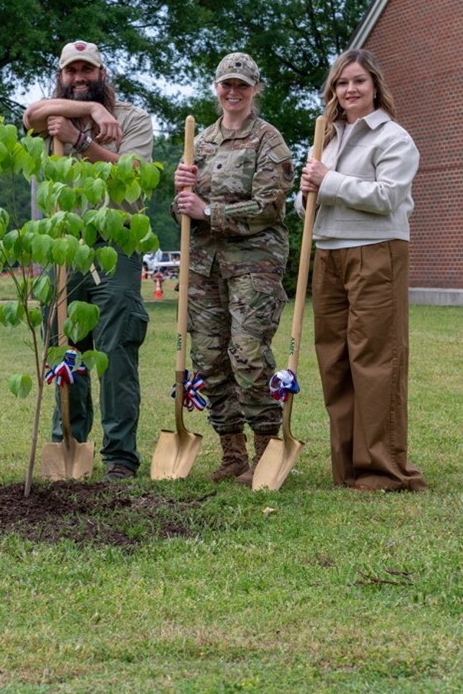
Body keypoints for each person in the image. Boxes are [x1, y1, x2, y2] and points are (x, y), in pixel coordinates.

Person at [23, 40, 154, 479]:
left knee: (116, 349)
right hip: (64, 245)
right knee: (66, 346)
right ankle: (69, 442)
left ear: (103, 75)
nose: (80, 78)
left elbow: (133, 176)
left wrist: (81, 140)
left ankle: (120, 456)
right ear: (62, 76)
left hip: (115, 243)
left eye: (88, 72)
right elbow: (31, 115)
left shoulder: (134, 118)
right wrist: (88, 115)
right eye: (72, 72)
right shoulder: (51, 117)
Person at [298, 48, 427, 492]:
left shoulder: (393, 138)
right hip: (329, 253)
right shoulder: (328, 138)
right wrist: (306, 191)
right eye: (341, 82)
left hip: (376, 252)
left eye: (358, 81)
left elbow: (387, 196)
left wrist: (327, 182)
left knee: (375, 360)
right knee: (335, 360)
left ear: (375, 86)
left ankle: (383, 470)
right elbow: (311, 206)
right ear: (333, 90)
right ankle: (349, 466)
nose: (349, 89)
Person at [173, 52, 294, 486]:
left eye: (242, 85)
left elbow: (268, 207)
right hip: (205, 267)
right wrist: (181, 197)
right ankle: (232, 453)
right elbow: (186, 213)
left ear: (255, 89)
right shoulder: (200, 142)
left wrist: (207, 210)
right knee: (208, 358)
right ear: (216, 87)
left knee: (247, 353)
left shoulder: (269, 141)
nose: (233, 92)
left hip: (253, 265)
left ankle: (267, 448)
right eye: (227, 84)